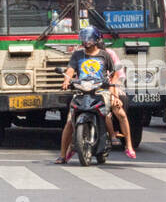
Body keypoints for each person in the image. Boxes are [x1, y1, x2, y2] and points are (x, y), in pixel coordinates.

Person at [57, 25, 135, 162]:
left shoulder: (105, 55)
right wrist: (66, 80)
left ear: (96, 40)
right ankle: (63, 155)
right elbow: (70, 70)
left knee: (120, 112)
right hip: (82, 91)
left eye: (89, 39)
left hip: (101, 91)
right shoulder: (77, 54)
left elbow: (115, 74)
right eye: (84, 39)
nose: (86, 42)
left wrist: (113, 91)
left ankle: (128, 145)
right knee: (70, 121)